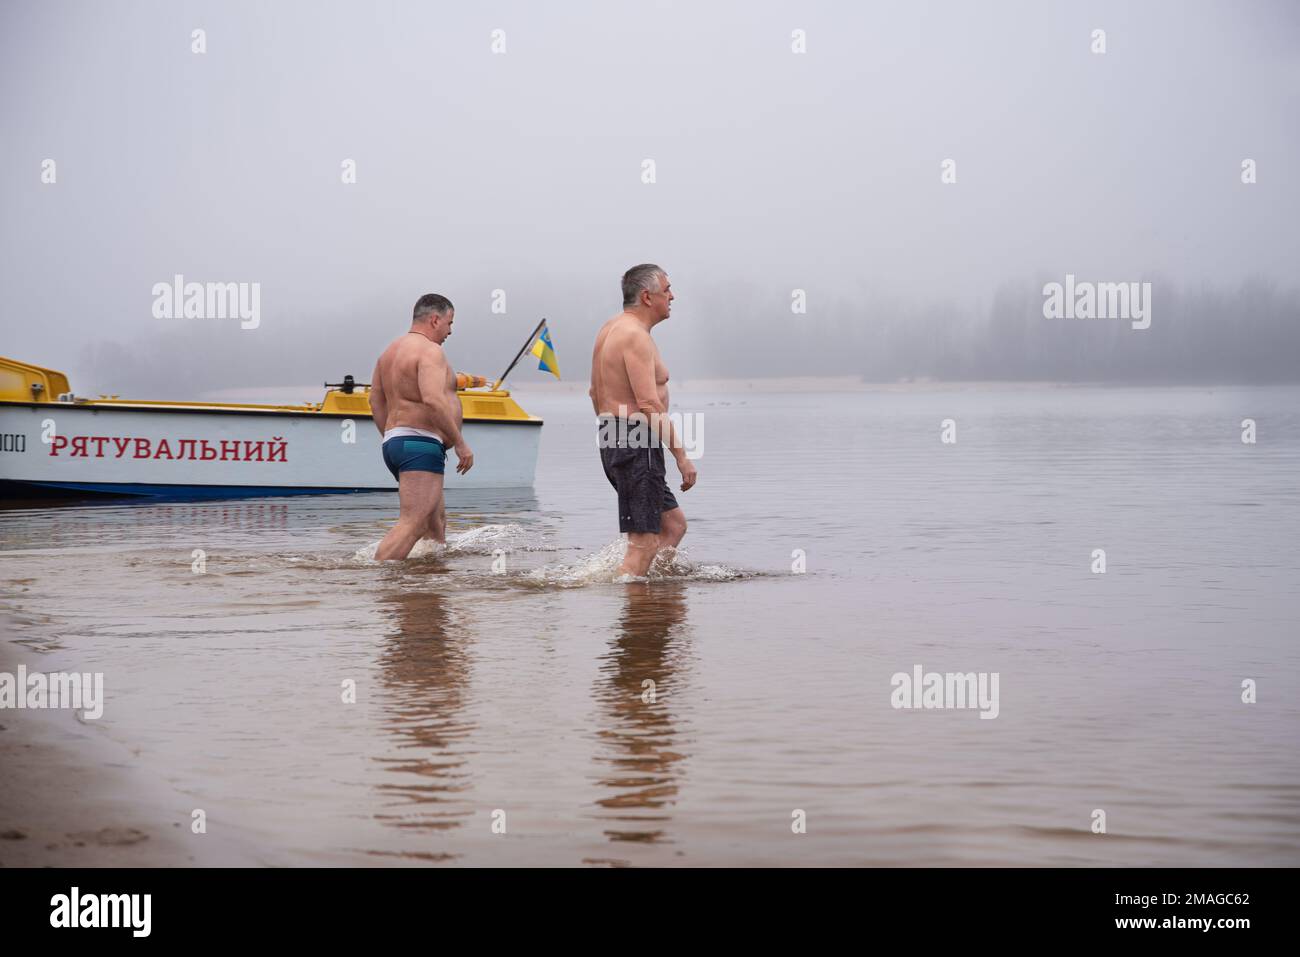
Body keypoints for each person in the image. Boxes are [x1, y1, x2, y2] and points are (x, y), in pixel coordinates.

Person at [589, 264, 697, 577]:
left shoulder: (610, 329)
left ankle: (653, 604)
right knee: (644, 542)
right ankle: (636, 617)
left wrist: (613, 436)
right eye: (667, 290)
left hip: (616, 437)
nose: (672, 296)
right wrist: (682, 457)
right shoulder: (635, 336)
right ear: (648, 297)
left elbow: (594, 392)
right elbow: (649, 403)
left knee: (673, 526)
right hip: (637, 442)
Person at [369, 294, 473, 560]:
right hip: (420, 443)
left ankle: (425, 590)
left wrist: (394, 438)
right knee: (413, 523)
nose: (450, 330)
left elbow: (375, 401)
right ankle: (375, 579)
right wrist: (459, 443)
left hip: (397, 442)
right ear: (435, 319)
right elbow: (432, 399)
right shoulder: (430, 351)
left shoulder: (388, 352)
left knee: (434, 528)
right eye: (450, 323)